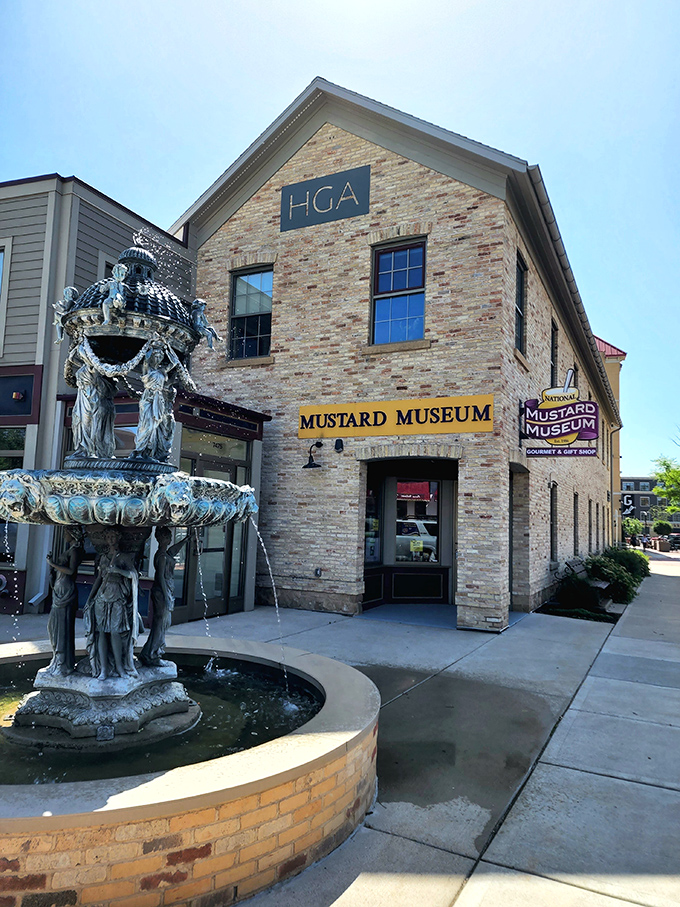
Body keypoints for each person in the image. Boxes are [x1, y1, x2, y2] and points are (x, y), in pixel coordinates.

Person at [85, 529, 139, 680]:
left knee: (115, 633)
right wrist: (90, 598)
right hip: (102, 598)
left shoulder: (125, 557)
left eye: (113, 536)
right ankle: (104, 669)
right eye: (108, 536)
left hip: (117, 597)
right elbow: (99, 579)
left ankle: (120, 667)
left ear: (118, 537)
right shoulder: (103, 557)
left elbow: (133, 575)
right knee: (101, 632)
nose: (110, 539)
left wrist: (118, 570)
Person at [139, 527, 187, 667]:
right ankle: (153, 654)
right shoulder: (161, 557)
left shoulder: (164, 554)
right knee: (161, 623)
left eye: (169, 537)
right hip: (161, 592)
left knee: (163, 623)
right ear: (161, 539)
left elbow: (173, 551)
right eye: (167, 537)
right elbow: (160, 577)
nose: (170, 539)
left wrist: (185, 540)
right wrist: (166, 596)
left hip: (165, 590)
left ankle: (151, 652)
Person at [45, 527, 85, 675]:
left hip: (66, 590)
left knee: (61, 626)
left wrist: (52, 563)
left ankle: (63, 662)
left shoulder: (75, 551)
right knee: (53, 626)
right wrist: (53, 574)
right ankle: (58, 658)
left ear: (73, 534)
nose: (63, 536)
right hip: (60, 588)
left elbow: (70, 571)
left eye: (66, 533)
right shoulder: (70, 550)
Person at [133, 341, 180, 461]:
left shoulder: (162, 371)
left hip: (158, 399)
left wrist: (168, 349)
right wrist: (150, 345)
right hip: (148, 398)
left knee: (155, 425)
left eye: (160, 357)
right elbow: (145, 359)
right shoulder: (147, 368)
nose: (158, 359)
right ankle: (139, 451)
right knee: (147, 425)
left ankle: (149, 452)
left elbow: (174, 362)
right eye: (156, 356)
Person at [69, 342, 116, 458]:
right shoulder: (84, 367)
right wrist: (77, 346)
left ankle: (91, 451)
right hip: (82, 400)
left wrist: (84, 345)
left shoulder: (94, 368)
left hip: (92, 400)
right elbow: (72, 358)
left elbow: (84, 357)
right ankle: (83, 450)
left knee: (91, 426)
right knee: (79, 424)